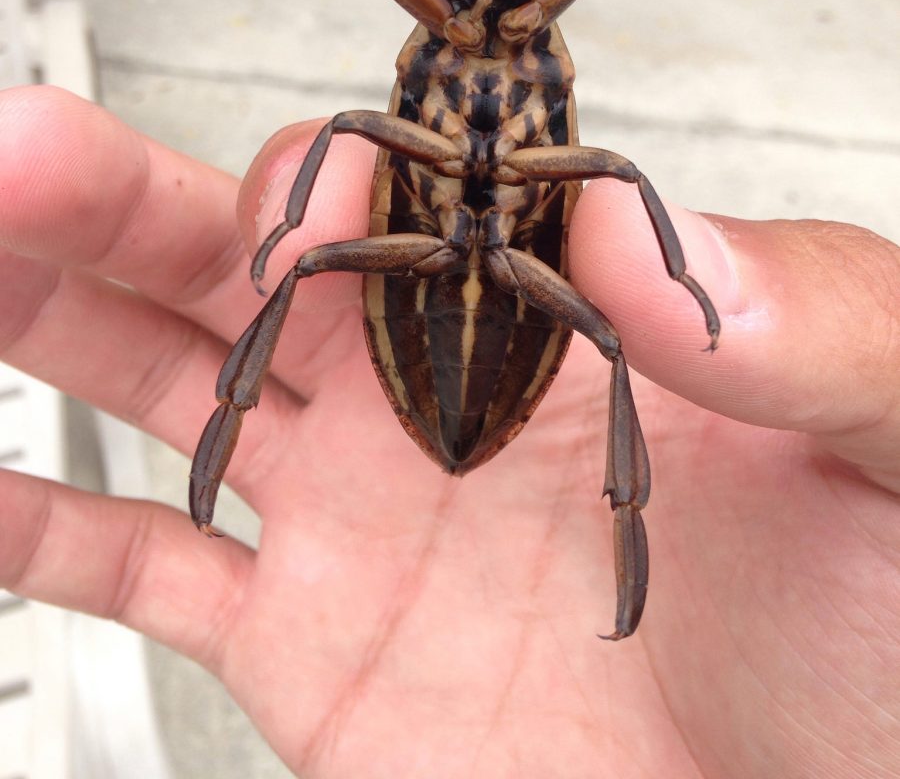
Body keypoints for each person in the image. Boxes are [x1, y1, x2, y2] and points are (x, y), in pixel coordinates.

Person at [1, 83, 898, 777]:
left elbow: (607, 168)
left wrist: (676, 272)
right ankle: (227, 420)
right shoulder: (436, 90)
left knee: (607, 323)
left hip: (486, 283)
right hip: (449, 268)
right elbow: (356, 87)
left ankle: (627, 520)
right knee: (313, 242)